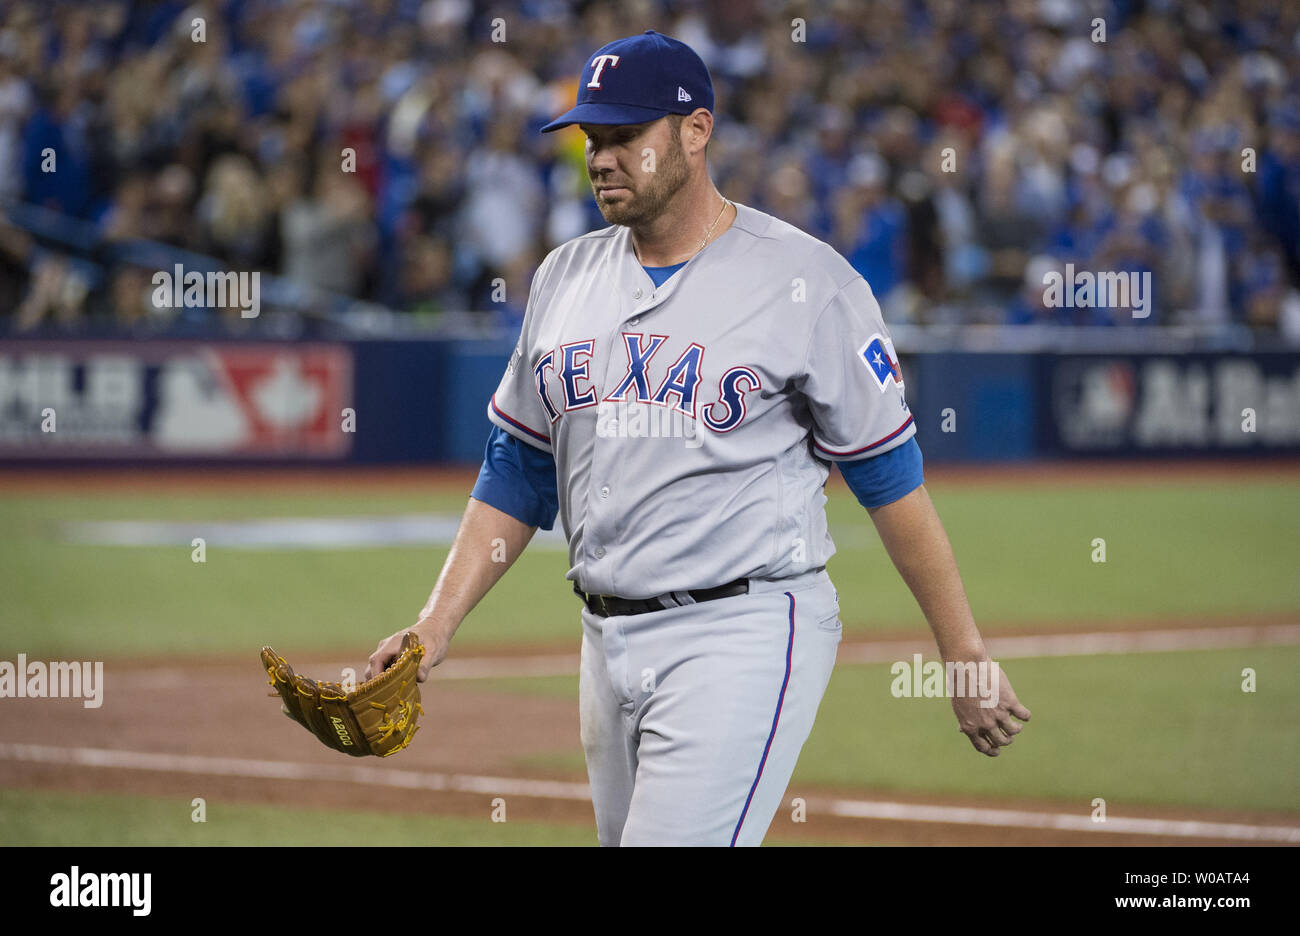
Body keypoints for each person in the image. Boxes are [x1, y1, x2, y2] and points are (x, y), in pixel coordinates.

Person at [367, 30, 1030, 847]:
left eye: (623, 136)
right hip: (603, 637)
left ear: (695, 131)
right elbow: (518, 471)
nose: (600, 157)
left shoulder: (807, 282)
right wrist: (433, 627)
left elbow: (890, 478)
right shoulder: (563, 278)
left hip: (744, 628)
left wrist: (961, 652)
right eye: (592, 139)